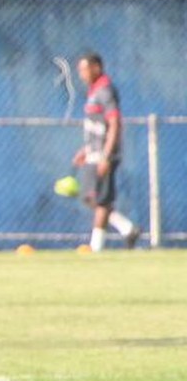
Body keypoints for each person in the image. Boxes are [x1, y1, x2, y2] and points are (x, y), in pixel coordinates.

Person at [72, 52, 140, 252]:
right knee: (89, 197)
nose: (81, 74)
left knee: (101, 200)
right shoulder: (93, 91)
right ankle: (127, 228)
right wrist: (86, 149)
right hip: (94, 152)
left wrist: (106, 156)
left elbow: (114, 123)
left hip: (104, 154)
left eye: (84, 69)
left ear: (96, 67)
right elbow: (97, 126)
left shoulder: (105, 90)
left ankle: (96, 248)